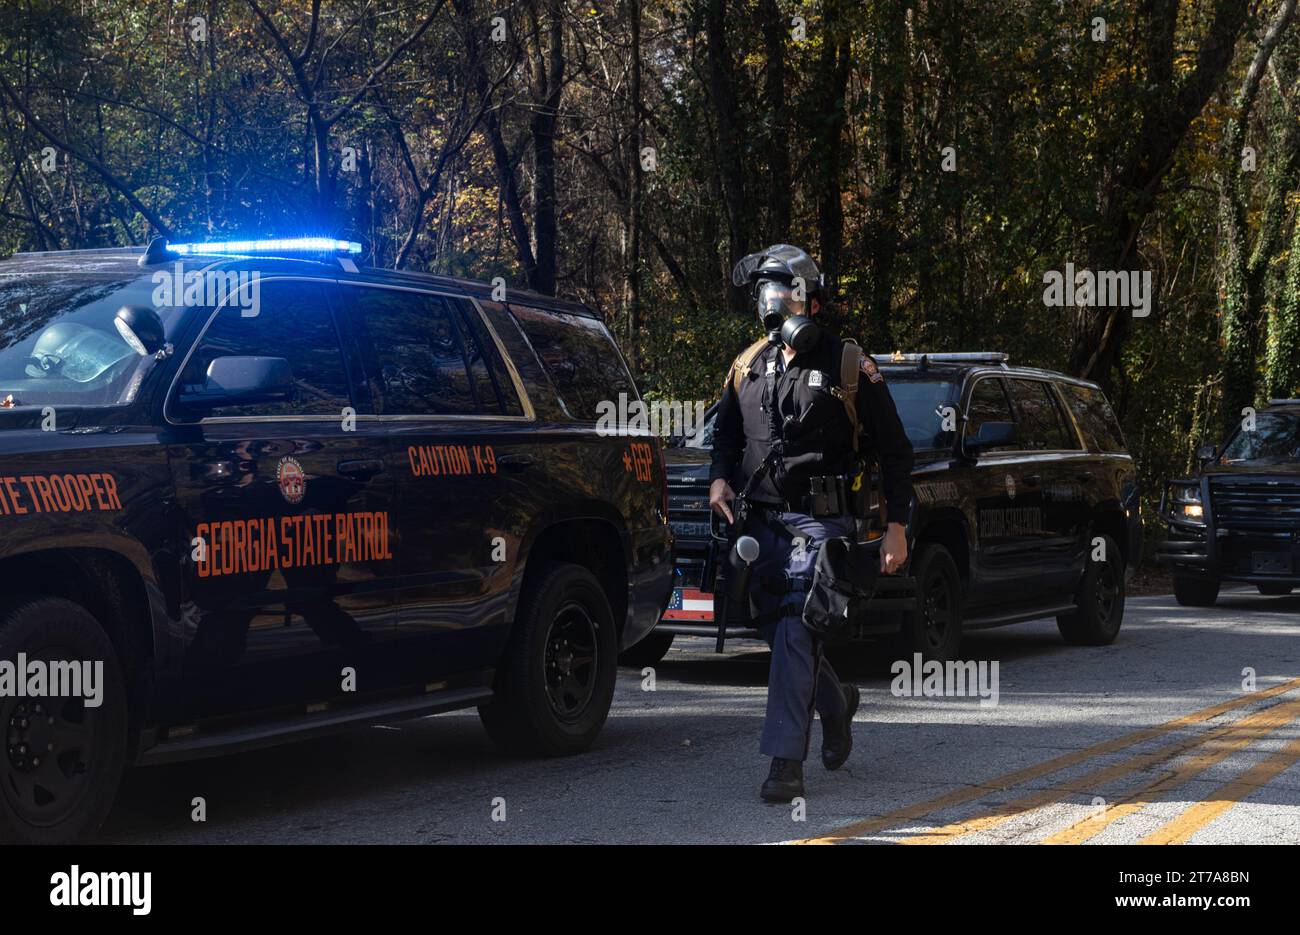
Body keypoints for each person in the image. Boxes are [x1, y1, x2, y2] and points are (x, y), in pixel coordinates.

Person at [709, 244, 914, 802]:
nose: (771, 302)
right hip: (760, 522)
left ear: (813, 303)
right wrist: (719, 479)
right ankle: (836, 700)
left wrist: (897, 526)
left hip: (820, 526)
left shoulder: (848, 365)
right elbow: (724, 435)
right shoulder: (748, 364)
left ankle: (784, 765)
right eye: (765, 292)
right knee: (778, 633)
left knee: (799, 626)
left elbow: (896, 452)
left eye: (782, 290)